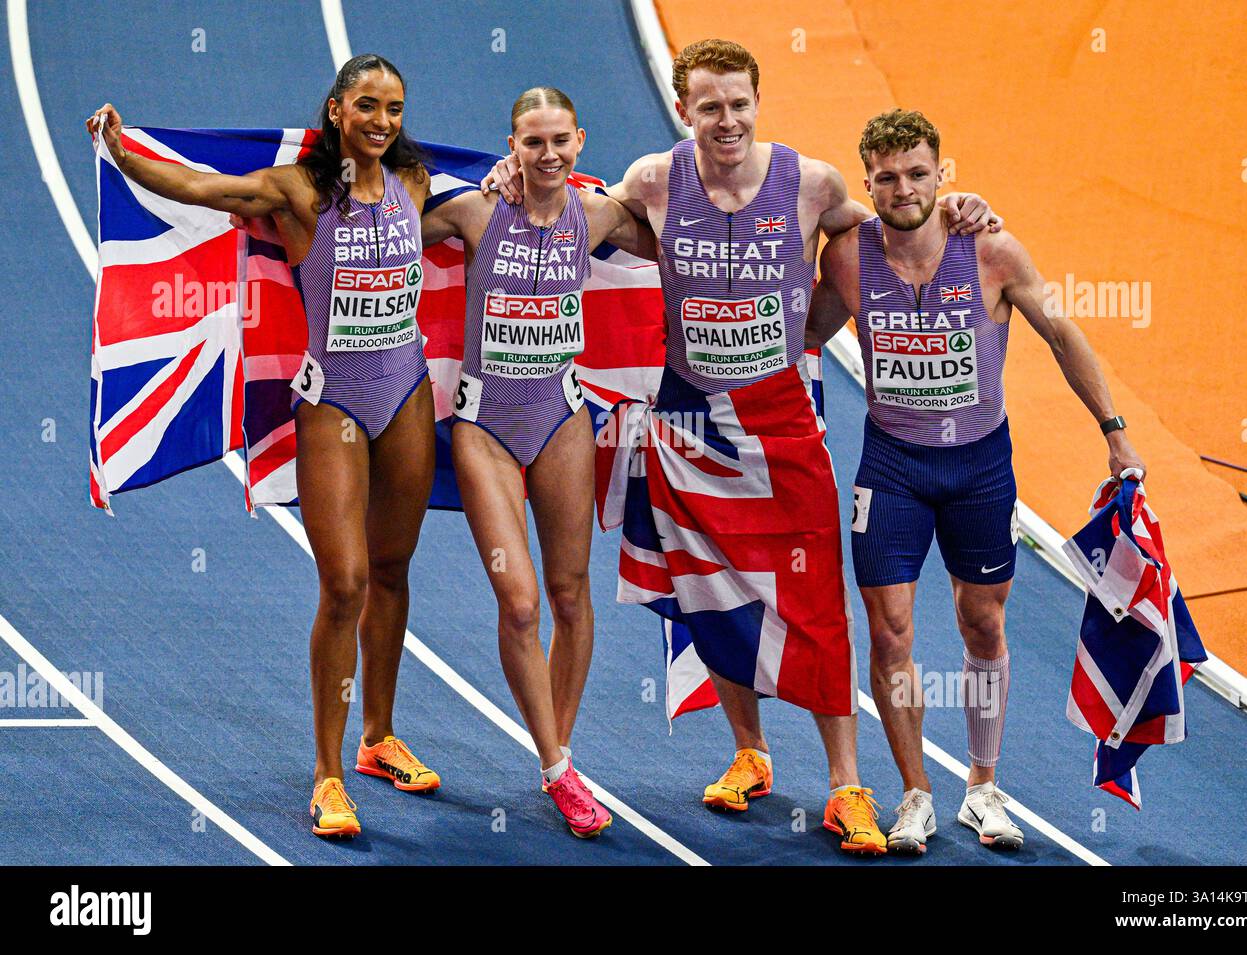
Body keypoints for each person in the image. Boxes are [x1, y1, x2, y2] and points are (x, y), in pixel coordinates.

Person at [485, 40, 998, 855]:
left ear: (757, 104)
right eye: (708, 107)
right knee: (711, 593)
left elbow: (900, 231)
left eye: (738, 105)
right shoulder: (656, 179)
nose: (725, 120)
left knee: (817, 604)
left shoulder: (816, 183)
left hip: (780, 419)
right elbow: (584, 219)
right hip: (689, 417)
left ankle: (846, 786)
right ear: (684, 110)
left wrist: (959, 210)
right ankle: (750, 752)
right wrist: (518, 178)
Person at [88, 54, 444, 840]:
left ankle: (379, 737)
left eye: (393, 108)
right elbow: (200, 189)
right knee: (344, 583)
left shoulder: (415, 183)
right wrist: (120, 151)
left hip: (409, 396)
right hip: (334, 404)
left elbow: (474, 215)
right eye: (366, 106)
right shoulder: (296, 191)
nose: (381, 120)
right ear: (335, 110)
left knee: (391, 568)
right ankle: (327, 773)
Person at [808, 108, 1146, 854]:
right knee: (890, 630)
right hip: (892, 467)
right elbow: (801, 334)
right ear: (868, 182)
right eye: (887, 177)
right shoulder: (846, 259)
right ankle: (914, 795)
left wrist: (1115, 432)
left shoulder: (991, 249)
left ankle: (983, 787)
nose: (904, 188)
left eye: (918, 173)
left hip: (980, 469)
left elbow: (1063, 332)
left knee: (983, 623)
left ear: (942, 174)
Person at [420, 87, 658, 837]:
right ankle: (559, 767)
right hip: (484, 427)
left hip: (562, 418)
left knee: (568, 590)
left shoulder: (599, 215)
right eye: (533, 142)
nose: (549, 154)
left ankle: (556, 752)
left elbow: (683, 232)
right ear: (512, 146)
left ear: (580, 141)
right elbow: (376, 219)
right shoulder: (476, 213)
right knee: (519, 601)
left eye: (561, 140)